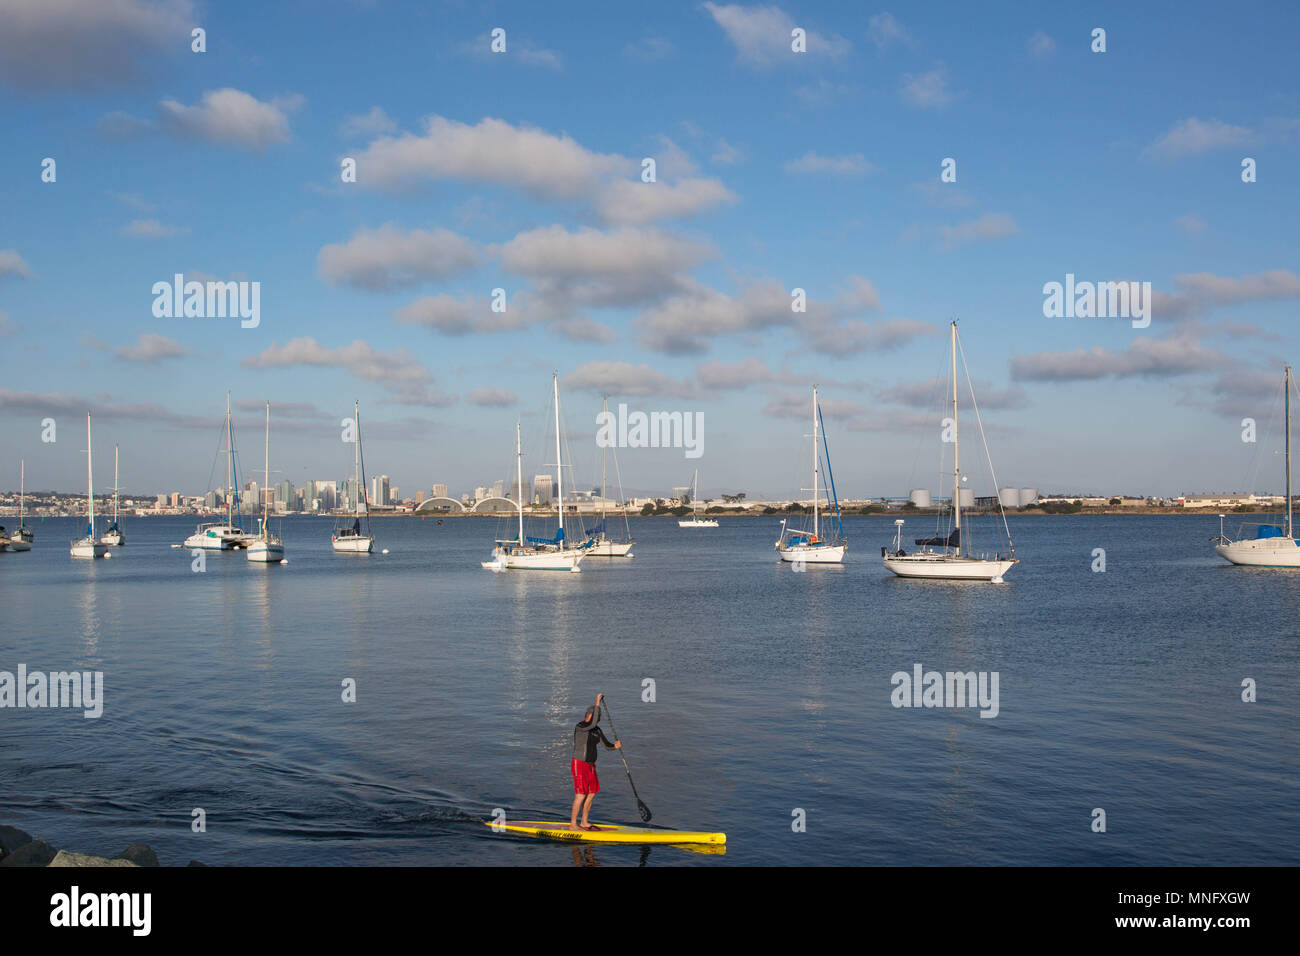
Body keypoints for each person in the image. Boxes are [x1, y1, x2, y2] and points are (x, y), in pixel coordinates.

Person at [570, 693, 621, 830]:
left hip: (591, 766)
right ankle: (573, 824)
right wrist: (597, 702)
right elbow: (591, 724)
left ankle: (584, 822)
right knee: (580, 795)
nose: (598, 720)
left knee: (591, 793)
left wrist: (615, 746)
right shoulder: (580, 727)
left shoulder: (597, 730)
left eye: (599, 718)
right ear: (589, 715)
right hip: (579, 764)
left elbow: (606, 745)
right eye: (596, 717)